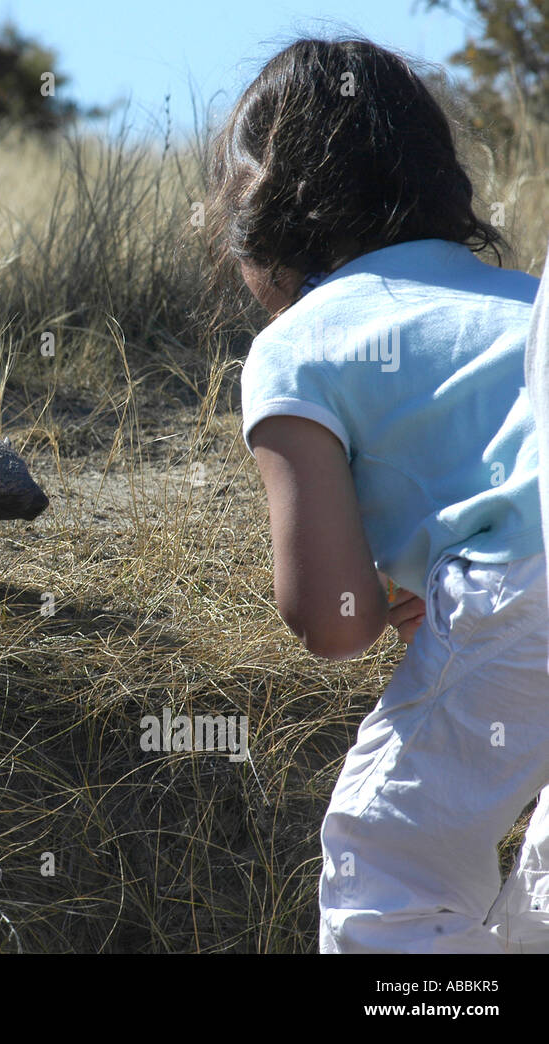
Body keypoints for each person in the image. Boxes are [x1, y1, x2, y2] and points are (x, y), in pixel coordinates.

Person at [208, 37, 549, 952]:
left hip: (524, 596)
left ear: (255, 206)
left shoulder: (294, 346)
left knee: (385, 880)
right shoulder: (524, 301)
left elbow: (332, 618)